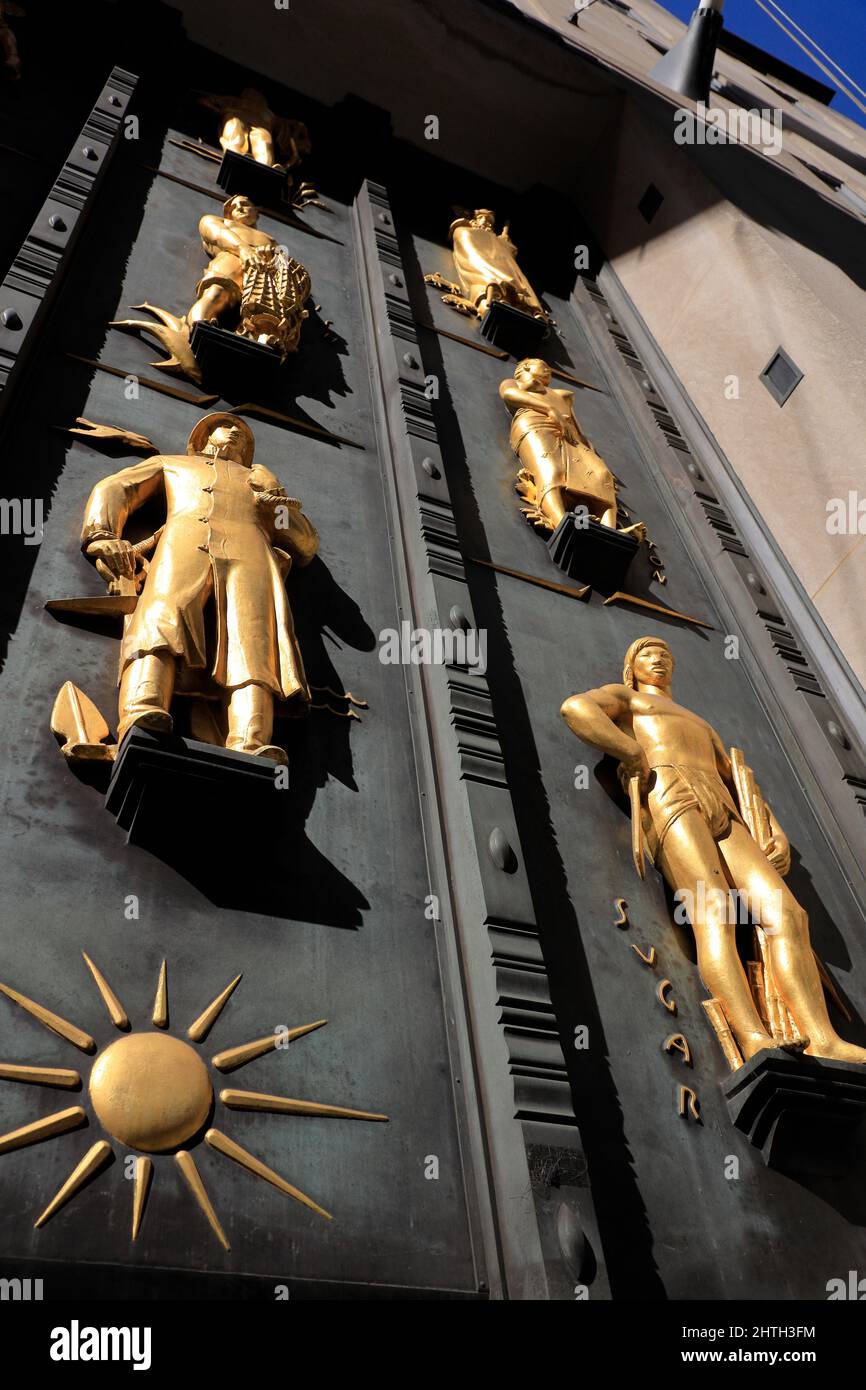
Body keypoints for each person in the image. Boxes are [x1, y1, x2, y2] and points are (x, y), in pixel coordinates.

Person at [561, 636, 866, 1064]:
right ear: (631, 668)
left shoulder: (700, 722)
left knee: (787, 914)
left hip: (723, 807)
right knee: (714, 910)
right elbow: (576, 708)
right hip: (669, 790)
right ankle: (754, 1036)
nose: (660, 658)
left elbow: (740, 783)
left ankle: (822, 1037)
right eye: (648, 654)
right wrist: (630, 749)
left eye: (666, 654)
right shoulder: (627, 699)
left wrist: (774, 830)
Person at [81, 413, 318, 762]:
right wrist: (102, 535)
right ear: (204, 436)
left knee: (254, 641)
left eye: (244, 433)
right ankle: (142, 710)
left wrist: (275, 496)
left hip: (251, 554)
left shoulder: (258, 482)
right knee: (161, 615)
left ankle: (250, 741)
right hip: (183, 544)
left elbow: (304, 545)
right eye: (226, 426)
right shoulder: (173, 464)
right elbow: (116, 487)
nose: (236, 430)